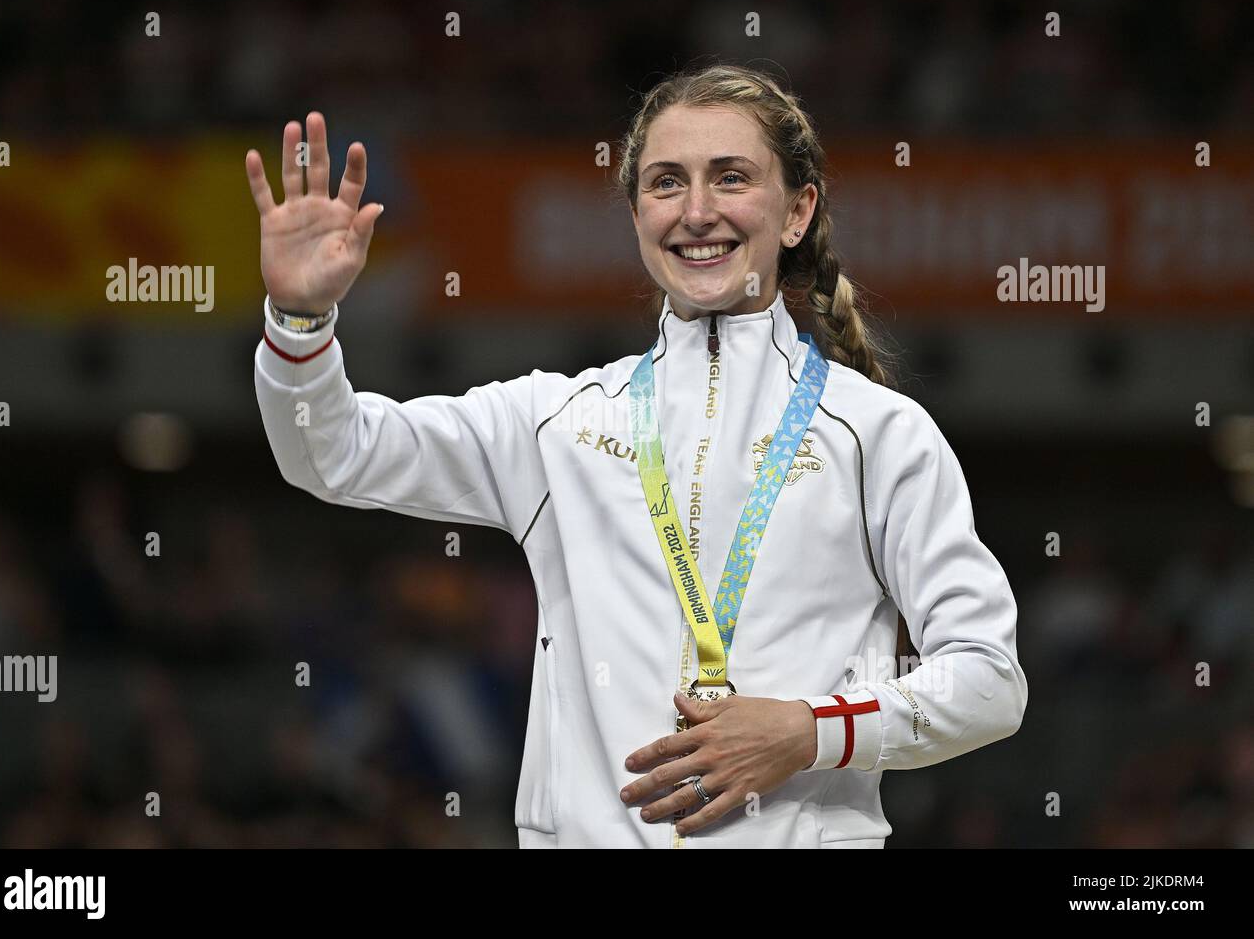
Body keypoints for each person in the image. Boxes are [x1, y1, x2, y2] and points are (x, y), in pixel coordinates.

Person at [247, 64, 1027, 848]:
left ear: (798, 211)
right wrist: (301, 319)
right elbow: (335, 452)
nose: (697, 212)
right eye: (665, 183)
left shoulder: (879, 436)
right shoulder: (555, 424)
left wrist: (810, 730)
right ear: (634, 214)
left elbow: (990, 679)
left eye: (730, 178)